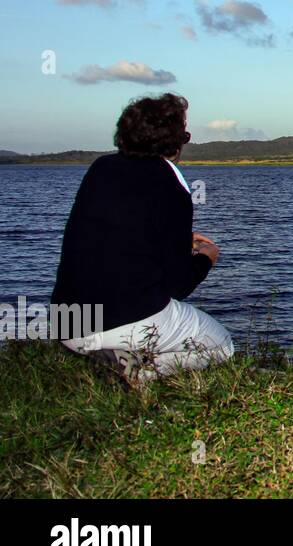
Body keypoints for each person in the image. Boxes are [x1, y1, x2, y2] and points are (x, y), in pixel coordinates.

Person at [51, 93, 233, 384]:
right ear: (175, 142)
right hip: (121, 320)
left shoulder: (101, 168)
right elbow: (180, 285)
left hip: (66, 323)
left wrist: (173, 238)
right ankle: (141, 373)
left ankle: (110, 355)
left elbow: (115, 232)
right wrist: (206, 257)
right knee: (221, 345)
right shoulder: (172, 185)